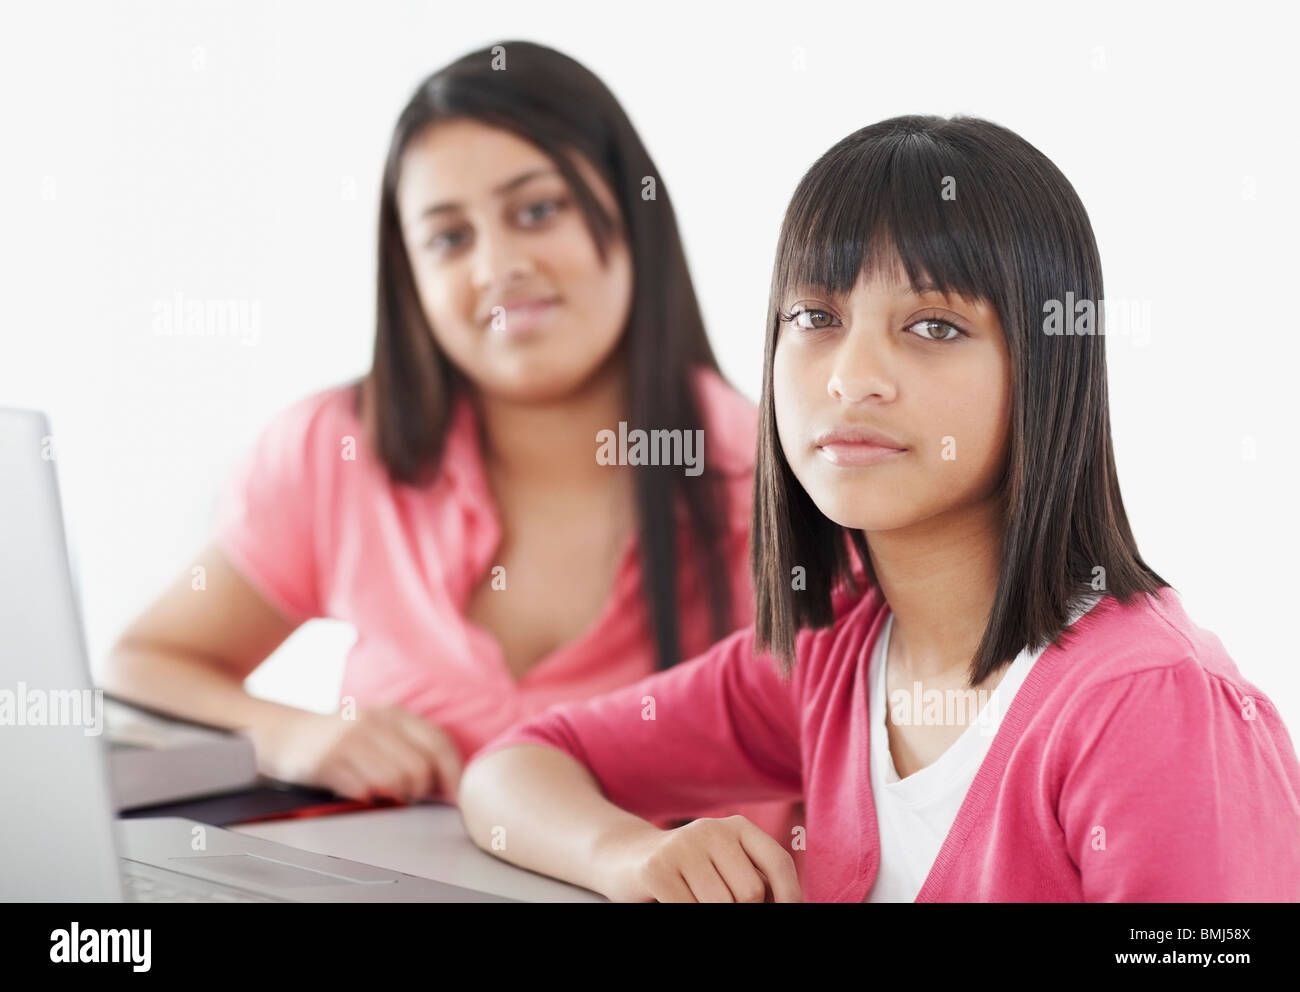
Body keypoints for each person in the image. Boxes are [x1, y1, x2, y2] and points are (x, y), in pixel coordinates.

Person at [458, 114, 1300, 902]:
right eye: (815, 316)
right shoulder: (829, 658)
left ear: (1047, 372)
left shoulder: (1150, 707)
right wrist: (633, 854)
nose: (850, 376)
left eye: (934, 326)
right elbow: (518, 765)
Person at [102, 40, 799, 846]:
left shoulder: (778, 476)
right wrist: (294, 736)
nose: (498, 267)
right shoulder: (341, 450)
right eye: (448, 238)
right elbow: (145, 660)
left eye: (537, 210)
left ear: (633, 213)